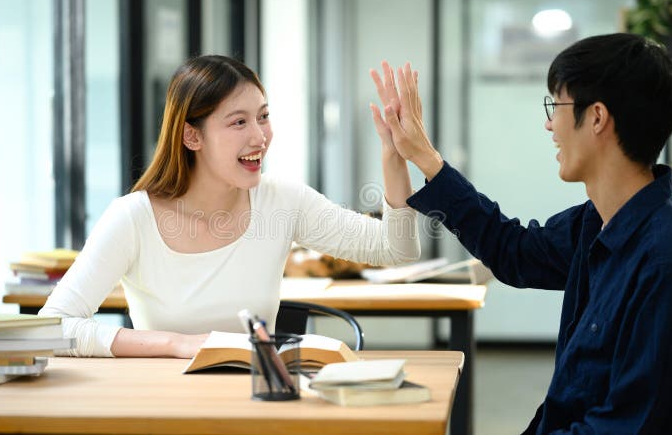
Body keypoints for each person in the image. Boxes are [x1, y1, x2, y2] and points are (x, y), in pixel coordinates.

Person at [370, 33, 672, 434]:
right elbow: (513, 251)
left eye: (557, 105)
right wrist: (426, 159)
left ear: (597, 117)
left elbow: (620, 426)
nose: (549, 124)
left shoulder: (666, 263)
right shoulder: (597, 222)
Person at [40, 55, 420, 358]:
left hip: (256, 401)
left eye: (263, 116)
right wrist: (176, 344)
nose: (260, 136)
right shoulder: (133, 217)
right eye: (238, 122)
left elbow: (396, 249)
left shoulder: (282, 200)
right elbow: (52, 327)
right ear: (192, 136)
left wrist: (393, 155)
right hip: (163, 406)